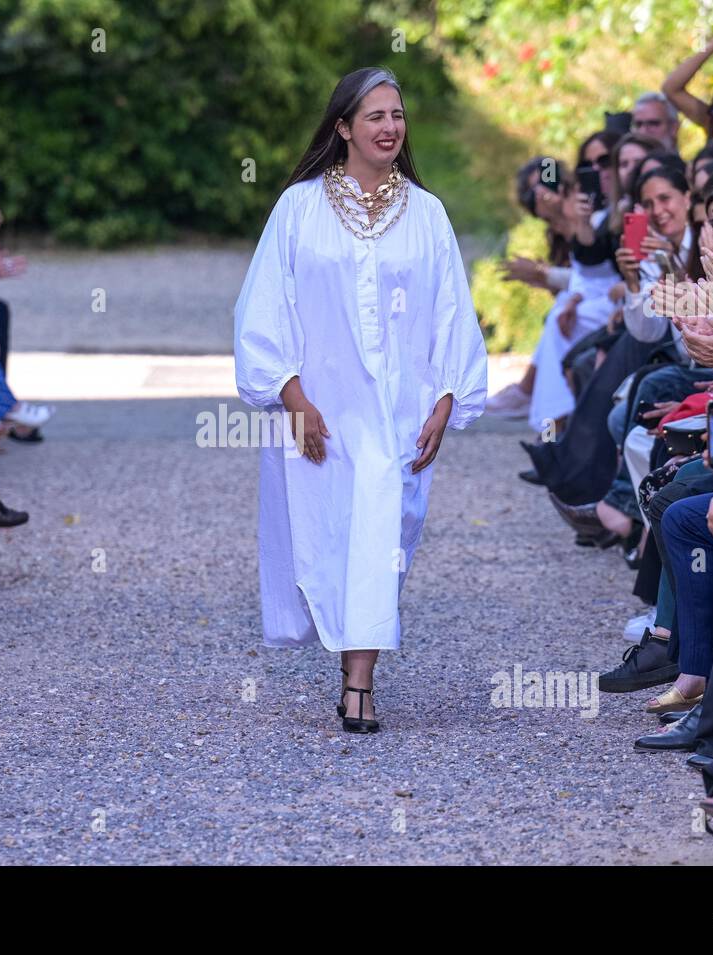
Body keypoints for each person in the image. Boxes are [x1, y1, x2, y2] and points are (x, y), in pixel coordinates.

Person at [234, 67, 488, 734]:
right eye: (375, 115)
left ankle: (359, 681)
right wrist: (291, 395)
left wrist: (445, 398)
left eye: (397, 115)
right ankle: (351, 671)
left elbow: (450, 312)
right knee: (331, 536)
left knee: (381, 535)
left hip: (401, 414)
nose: (389, 127)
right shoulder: (299, 209)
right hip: (322, 408)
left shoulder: (427, 214)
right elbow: (265, 307)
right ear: (343, 126)